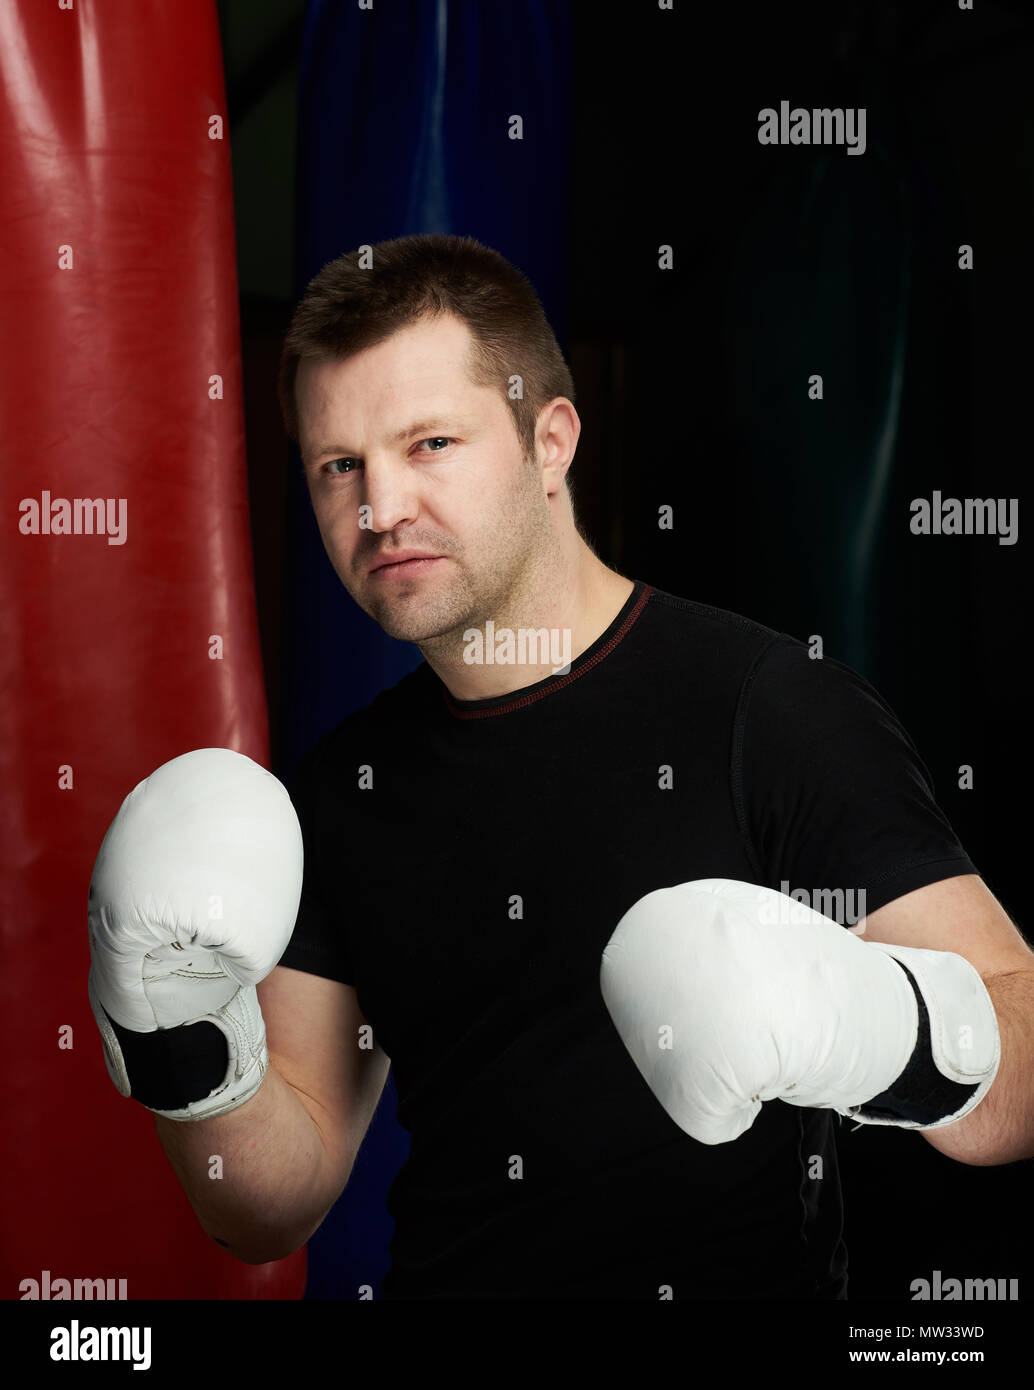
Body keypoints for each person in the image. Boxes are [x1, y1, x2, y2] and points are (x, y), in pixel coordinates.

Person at [88, 234, 1015, 1300]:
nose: (378, 508)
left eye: (428, 443)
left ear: (549, 442)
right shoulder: (343, 790)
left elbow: (1018, 1068)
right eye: (337, 465)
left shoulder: (764, 708)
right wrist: (176, 1036)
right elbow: (264, 1207)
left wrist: (877, 1021)